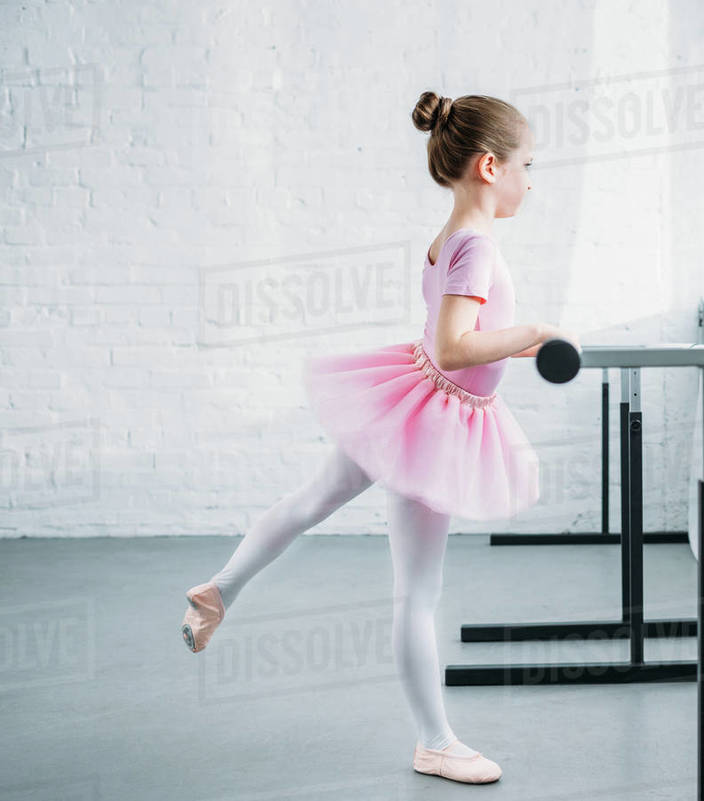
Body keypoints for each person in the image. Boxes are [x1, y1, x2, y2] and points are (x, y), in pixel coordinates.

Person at [179, 90, 581, 785]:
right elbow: (458, 348)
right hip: (434, 416)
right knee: (417, 592)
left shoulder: (450, 234)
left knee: (313, 499)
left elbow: (460, 339)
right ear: (490, 166)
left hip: (411, 396)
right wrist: (537, 334)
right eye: (526, 164)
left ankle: (218, 589)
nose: (530, 179)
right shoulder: (477, 245)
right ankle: (435, 740)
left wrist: (514, 344)